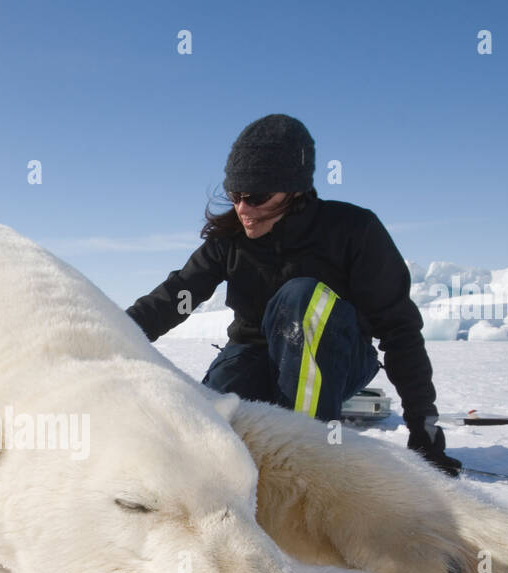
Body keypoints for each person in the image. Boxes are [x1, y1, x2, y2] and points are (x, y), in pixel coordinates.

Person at [125, 113, 462, 477]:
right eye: (235, 196)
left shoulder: (353, 230)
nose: (243, 210)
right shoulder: (230, 240)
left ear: (295, 190)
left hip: (340, 356)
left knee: (303, 296)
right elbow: (175, 297)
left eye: (256, 197)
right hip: (255, 354)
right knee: (214, 427)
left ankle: (308, 455)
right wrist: (107, 332)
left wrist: (424, 432)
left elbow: (400, 332)